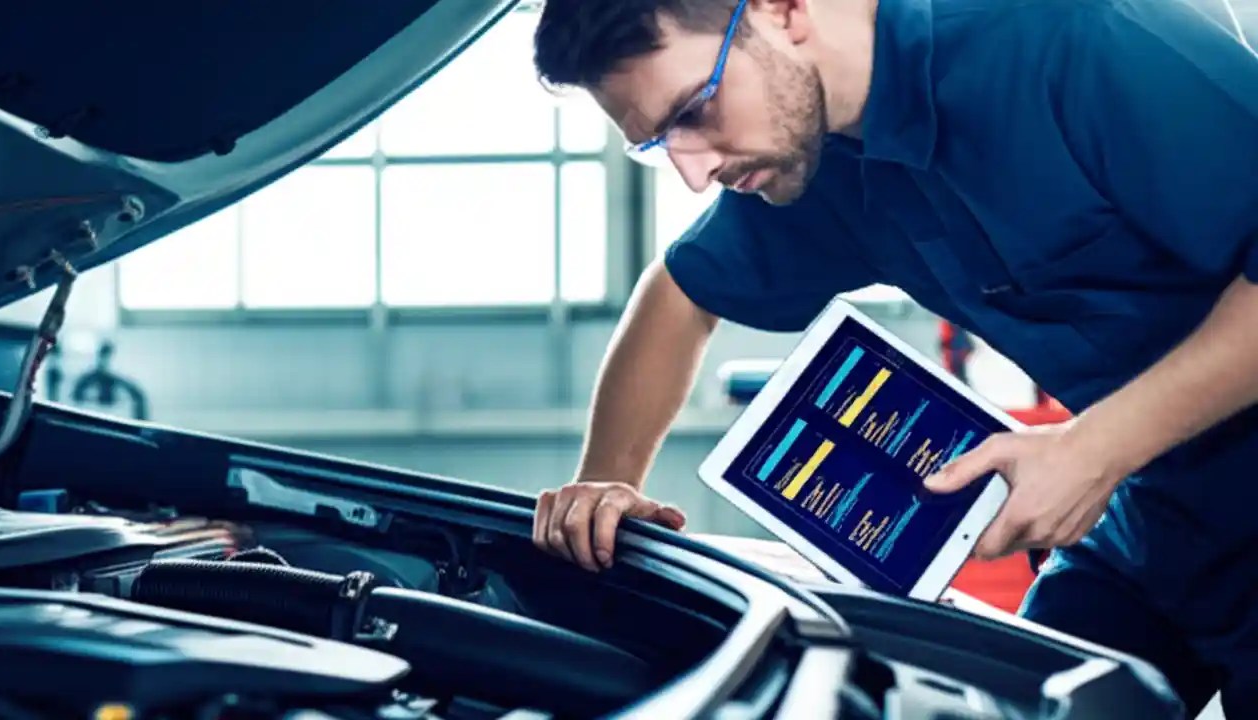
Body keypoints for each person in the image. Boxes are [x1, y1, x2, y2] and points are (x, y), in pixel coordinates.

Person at [528, 0, 1258, 714]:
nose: (693, 171)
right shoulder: (819, 157)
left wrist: (1094, 449)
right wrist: (604, 484)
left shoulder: (1084, 31)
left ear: (782, 11)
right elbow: (681, 292)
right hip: (1157, 523)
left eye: (693, 111)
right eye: (658, 142)